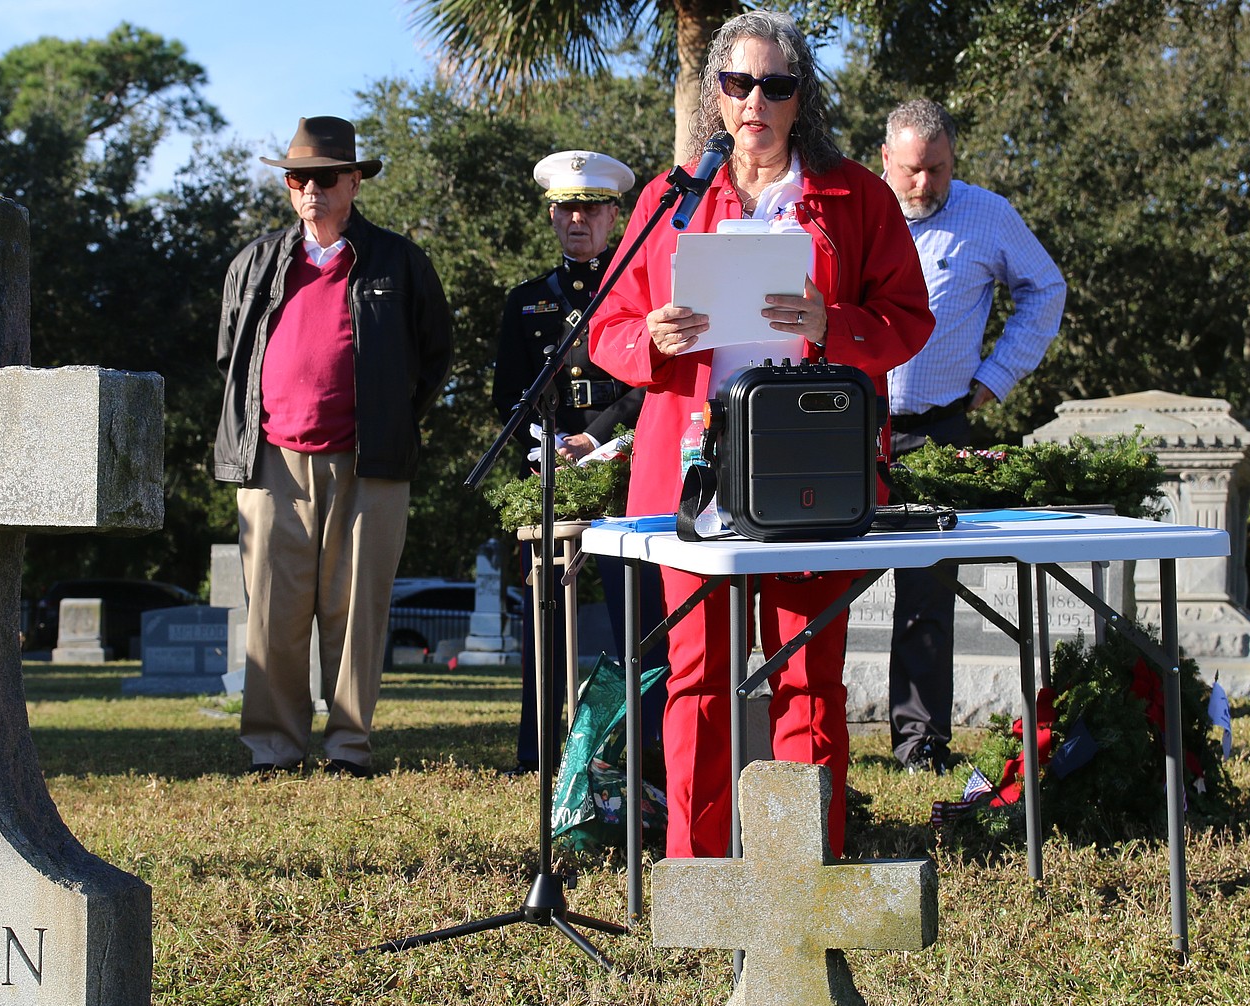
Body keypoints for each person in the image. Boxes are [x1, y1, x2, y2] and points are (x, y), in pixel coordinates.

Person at [589, 10, 934, 858]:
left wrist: (833, 320)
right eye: (739, 84)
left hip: (811, 468)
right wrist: (650, 341)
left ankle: (803, 870)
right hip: (692, 472)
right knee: (698, 678)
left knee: (807, 679)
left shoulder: (856, 195)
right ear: (716, 94)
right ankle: (696, 873)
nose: (756, 102)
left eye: (775, 85)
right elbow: (606, 328)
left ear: (798, 97)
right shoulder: (670, 198)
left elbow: (908, 318)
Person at [211, 116, 452, 778]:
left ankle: (349, 746)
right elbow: (232, 353)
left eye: (324, 177)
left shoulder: (398, 262)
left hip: (368, 463)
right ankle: (272, 747)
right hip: (272, 462)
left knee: (357, 609)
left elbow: (435, 357)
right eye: (298, 178)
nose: (310, 189)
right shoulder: (256, 262)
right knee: (273, 610)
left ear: (352, 182)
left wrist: (389, 419)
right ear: (288, 187)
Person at [881, 99, 1067, 774]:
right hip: (850, 427)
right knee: (824, 584)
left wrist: (998, 375)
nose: (925, 185)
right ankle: (817, 738)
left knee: (927, 591)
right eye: (911, 171)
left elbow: (1046, 289)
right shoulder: (859, 211)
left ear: (954, 159)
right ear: (886, 160)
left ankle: (920, 741)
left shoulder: (988, 215)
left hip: (940, 428)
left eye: (937, 170)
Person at [490, 149, 663, 772]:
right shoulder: (528, 301)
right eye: (565, 209)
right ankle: (538, 752)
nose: (577, 221)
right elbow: (507, 393)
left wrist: (596, 442)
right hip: (550, 475)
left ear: (615, 215)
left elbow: (651, 385)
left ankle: (643, 748)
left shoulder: (639, 295)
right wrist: (548, 447)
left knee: (637, 619)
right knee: (544, 619)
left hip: (625, 474)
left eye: (590, 209)